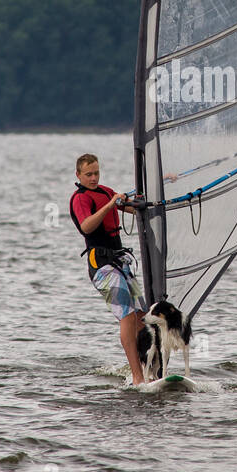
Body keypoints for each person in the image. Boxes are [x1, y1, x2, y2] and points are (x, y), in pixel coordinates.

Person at [69, 153, 148, 384]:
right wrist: (111, 203)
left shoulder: (105, 191)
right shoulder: (80, 198)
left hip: (120, 263)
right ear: (79, 175)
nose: (93, 178)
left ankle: (148, 368)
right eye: (88, 174)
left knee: (143, 316)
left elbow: (133, 209)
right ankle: (137, 377)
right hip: (101, 266)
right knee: (127, 315)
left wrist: (155, 193)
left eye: (96, 173)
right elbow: (86, 226)